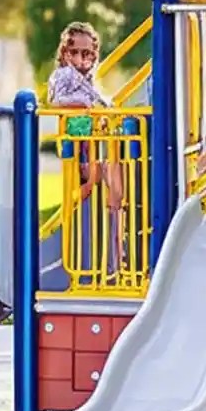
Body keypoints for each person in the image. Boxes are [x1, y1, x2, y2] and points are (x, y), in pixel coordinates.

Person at [46, 21, 126, 271]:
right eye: (75, 53)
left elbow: (101, 101)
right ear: (65, 53)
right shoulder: (64, 75)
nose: (82, 59)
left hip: (92, 141)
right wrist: (86, 105)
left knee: (116, 176)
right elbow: (56, 101)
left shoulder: (89, 78)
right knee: (93, 179)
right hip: (77, 141)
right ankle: (112, 237)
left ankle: (117, 237)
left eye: (88, 54)